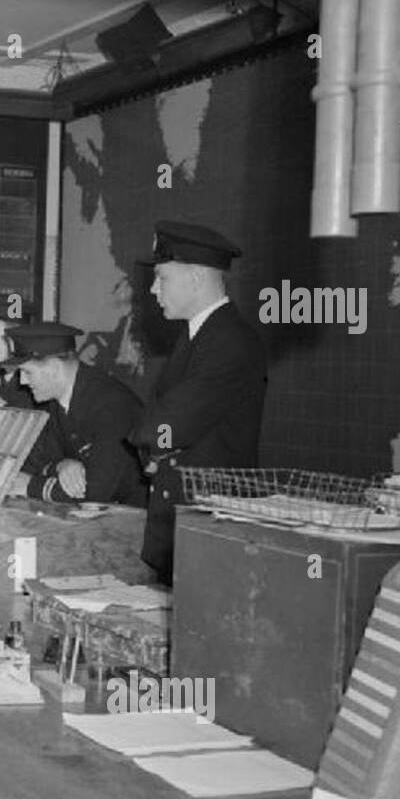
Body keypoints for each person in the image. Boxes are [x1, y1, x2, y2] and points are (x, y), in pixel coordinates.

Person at [127, 221, 268, 584]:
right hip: (182, 517)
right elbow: (162, 424)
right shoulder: (197, 336)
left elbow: (172, 421)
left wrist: (152, 446)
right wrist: (155, 450)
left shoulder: (229, 342)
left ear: (195, 278)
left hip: (211, 523)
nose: (155, 290)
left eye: (163, 278)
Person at [5, 323, 146, 506]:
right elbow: (35, 463)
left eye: (27, 372)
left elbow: (96, 492)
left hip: (132, 520)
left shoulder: (112, 405)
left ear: (55, 368)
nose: (22, 381)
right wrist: (61, 465)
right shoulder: (56, 402)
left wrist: (28, 486)